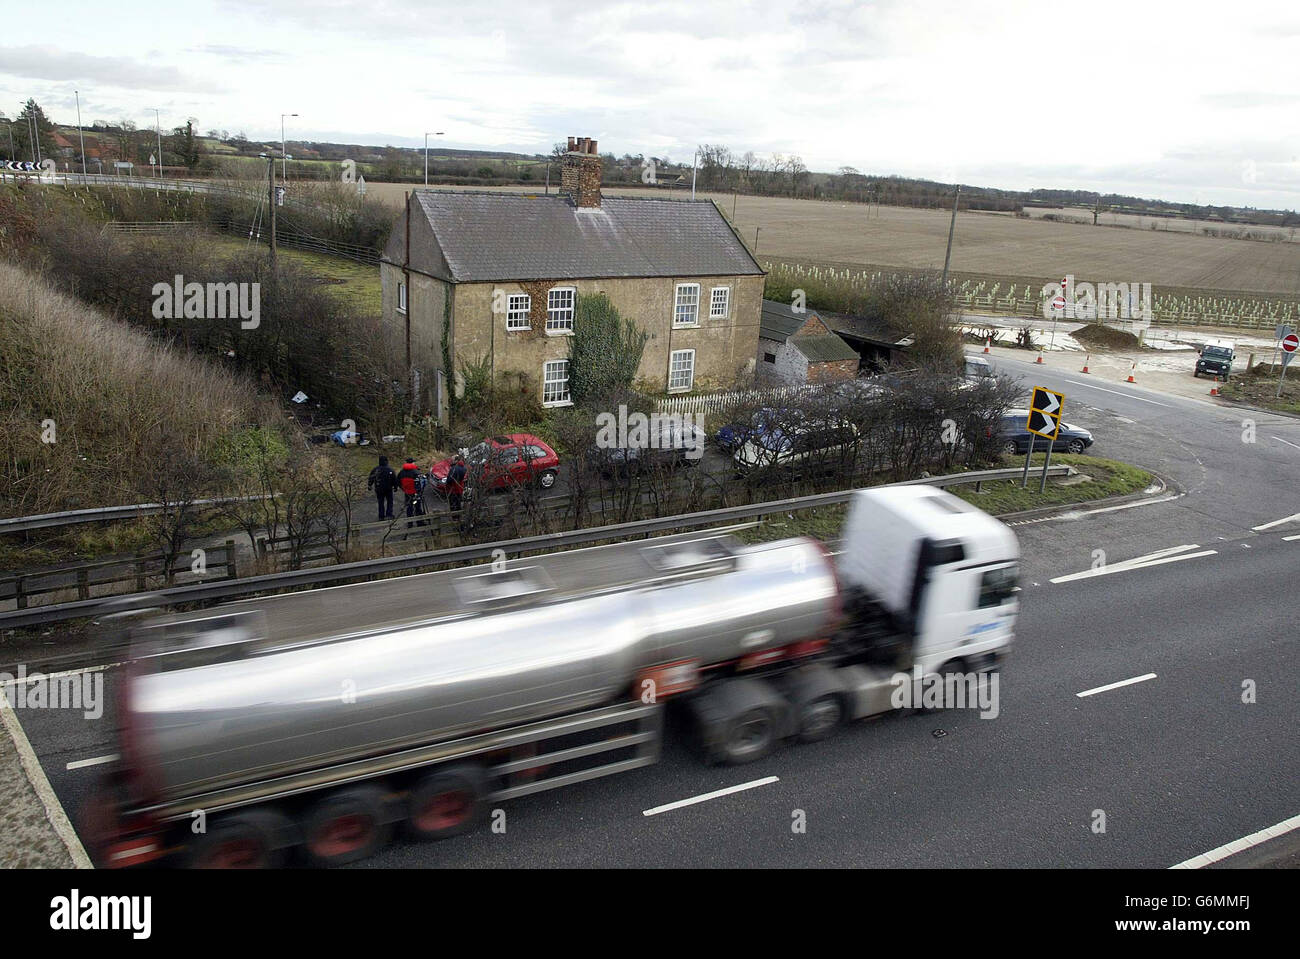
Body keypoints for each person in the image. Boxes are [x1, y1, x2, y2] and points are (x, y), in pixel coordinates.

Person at [367, 455, 396, 520]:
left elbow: (371, 478)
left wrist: (369, 485)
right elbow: (394, 479)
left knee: (380, 502)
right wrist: (395, 487)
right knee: (389, 501)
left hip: (379, 488)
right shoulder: (390, 469)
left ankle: (381, 516)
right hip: (388, 488)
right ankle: (389, 514)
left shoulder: (375, 469)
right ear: (386, 461)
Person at [397, 457, 421, 526]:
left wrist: (404, 489)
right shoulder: (416, 471)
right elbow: (420, 483)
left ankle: (410, 524)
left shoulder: (401, 472)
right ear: (413, 463)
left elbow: (398, 482)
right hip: (415, 493)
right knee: (417, 508)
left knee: (409, 508)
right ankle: (419, 523)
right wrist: (419, 491)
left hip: (407, 493)